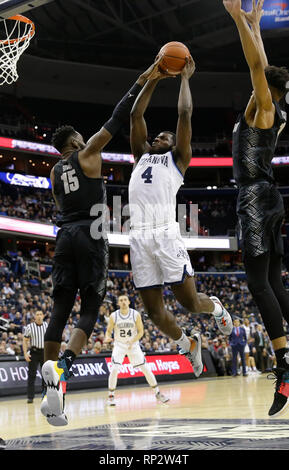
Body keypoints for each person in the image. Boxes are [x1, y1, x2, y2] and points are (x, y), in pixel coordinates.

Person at [40, 60, 163, 426]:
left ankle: (53, 385)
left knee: (59, 309)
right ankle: (62, 371)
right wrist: (143, 79)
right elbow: (117, 116)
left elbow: (60, 206)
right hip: (91, 236)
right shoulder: (88, 152)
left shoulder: (53, 171)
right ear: (75, 142)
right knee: (90, 311)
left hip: (64, 236)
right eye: (79, 137)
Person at [128, 54, 233, 378]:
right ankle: (187, 344)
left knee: (189, 303)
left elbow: (185, 113)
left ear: (175, 144)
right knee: (155, 314)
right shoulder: (141, 155)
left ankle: (215, 306)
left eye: (164, 136)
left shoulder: (178, 159)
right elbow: (135, 115)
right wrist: (155, 77)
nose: (158, 137)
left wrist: (184, 78)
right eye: (156, 136)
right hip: (139, 237)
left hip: (164, 233)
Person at [223, 0, 289, 416]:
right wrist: (255, 27)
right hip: (269, 198)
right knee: (276, 284)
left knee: (257, 284)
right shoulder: (271, 106)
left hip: (254, 199)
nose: (254, 87)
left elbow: (256, 71)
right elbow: (260, 68)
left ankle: (284, 366)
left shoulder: (265, 108)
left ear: (269, 90)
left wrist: (235, 19)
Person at [103, 294, 169, 405]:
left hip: (133, 345)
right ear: (118, 303)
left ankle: (157, 393)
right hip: (119, 345)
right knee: (114, 369)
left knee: (146, 368)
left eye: (125, 300)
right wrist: (107, 337)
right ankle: (111, 397)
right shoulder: (114, 316)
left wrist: (133, 340)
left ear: (129, 302)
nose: (123, 302)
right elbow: (109, 331)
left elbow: (141, 332)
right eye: (121, 300)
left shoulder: (135, 314)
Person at [23, 310, 48, 404]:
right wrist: (25, 353)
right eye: (37, 315)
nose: (39, 316)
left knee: (46, 375)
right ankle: (30, 397)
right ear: (34, 317)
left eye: (40, 314)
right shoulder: (29, 327)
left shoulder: (47, 326)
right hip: (34, 352)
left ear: (43, 316)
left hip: (44, 352)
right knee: (31, 375)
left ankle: (45, 396)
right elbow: (25, 341)